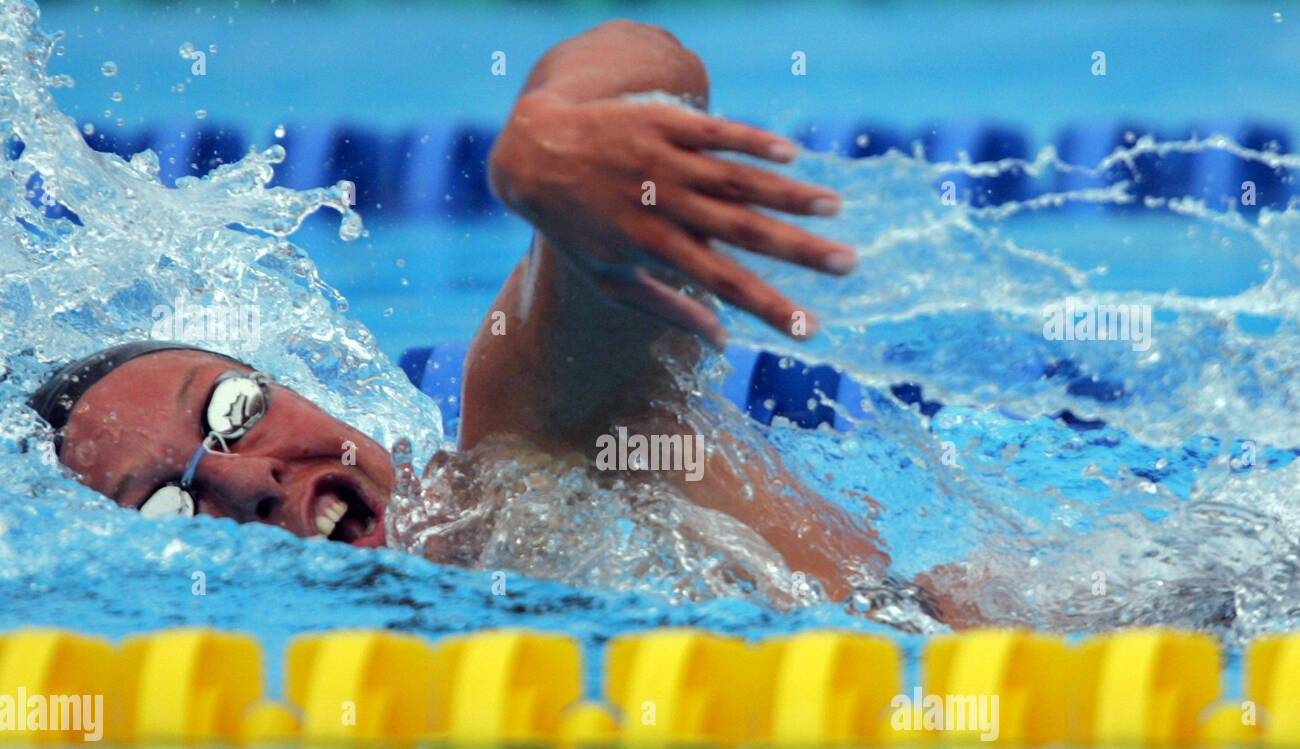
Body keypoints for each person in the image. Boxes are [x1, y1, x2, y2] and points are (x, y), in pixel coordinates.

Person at [28, 21, 900, 608]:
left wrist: (551, 142)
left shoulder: (530, 465)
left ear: (293, 386)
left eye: (232, 412)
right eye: (165, 513)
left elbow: (650, 67)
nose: (245, 482)